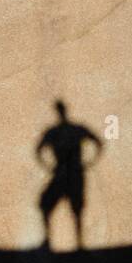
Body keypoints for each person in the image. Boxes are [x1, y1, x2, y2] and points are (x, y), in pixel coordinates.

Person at [36, 99, 102, 250]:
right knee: (46, 204)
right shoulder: (58, 131)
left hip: (72, 173)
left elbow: (98, 142)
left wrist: (89, 163)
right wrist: (49, 167)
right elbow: (38, 150)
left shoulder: (71, 130)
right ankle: (50, 240)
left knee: (76, 208)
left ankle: (79, 243)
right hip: (65, 173)